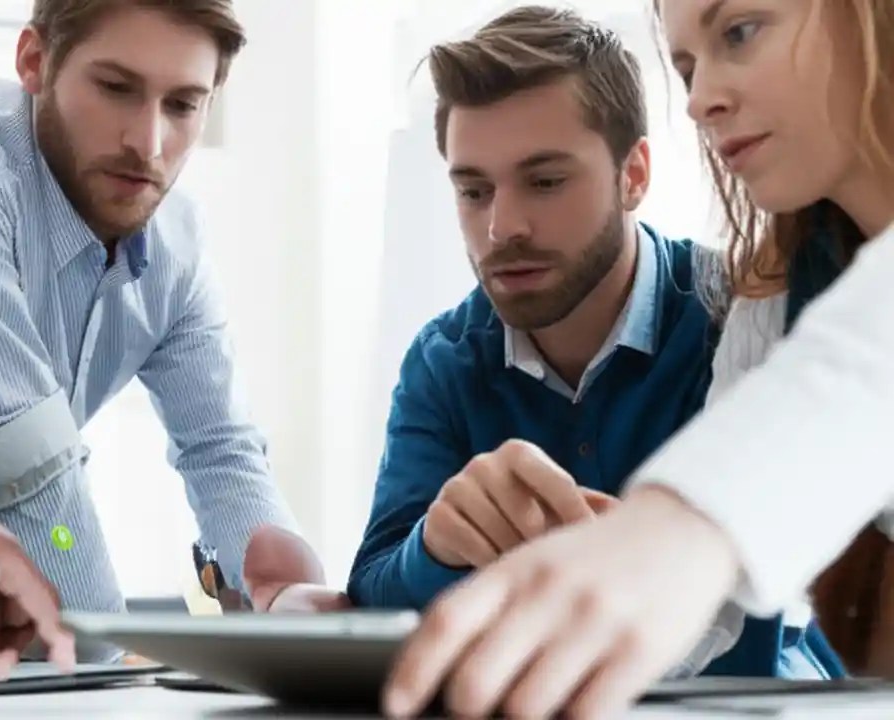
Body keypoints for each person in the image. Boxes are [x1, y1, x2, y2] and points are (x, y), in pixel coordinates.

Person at [382, 0, 894, 717]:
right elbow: (699, 620)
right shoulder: (778, 289)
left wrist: (681, 527)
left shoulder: (735, 310)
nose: (698, 101)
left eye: (739, 32)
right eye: (685, 65)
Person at [0, 0, 340, 620]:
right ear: (34, 61)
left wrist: (280, 593)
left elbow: (220, 447)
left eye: (182, 104)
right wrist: (104, 647)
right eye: (116, 88)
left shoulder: (176, 241)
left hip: (7, 622)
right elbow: (30, 466)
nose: (147, 144)